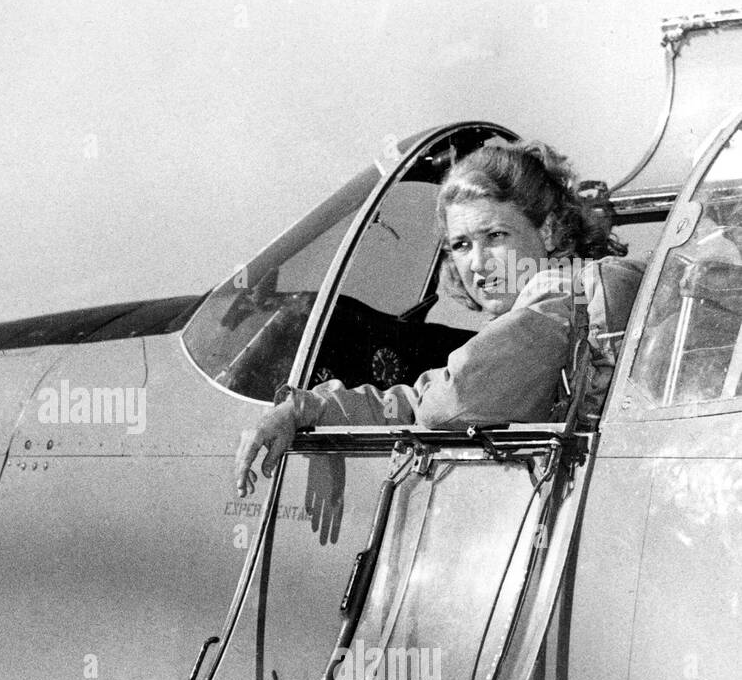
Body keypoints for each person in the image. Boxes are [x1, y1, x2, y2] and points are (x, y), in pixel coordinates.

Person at [235, 139, 646, 497]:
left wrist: (308, 407)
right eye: (462, 245)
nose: (479, 263)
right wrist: (304, 407)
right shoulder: (574, 295)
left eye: (496, 236)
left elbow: (443, 404)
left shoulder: (558, 296)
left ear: (551, 231)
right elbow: (425, 401)